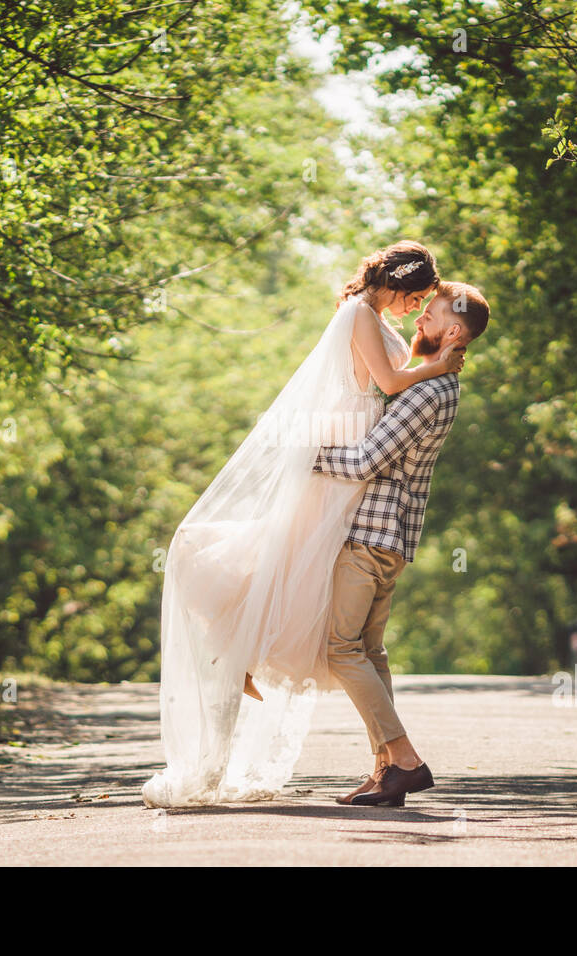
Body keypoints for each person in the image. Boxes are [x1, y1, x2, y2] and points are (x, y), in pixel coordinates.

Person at [142, 241, 464, 807]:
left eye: (425, 308)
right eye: (416, 301)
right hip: (339, 461)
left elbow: (390, 385)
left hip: (354, 469)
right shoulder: (361, 312)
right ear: (402, 286)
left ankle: (386, 760)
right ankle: (236, 639)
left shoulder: (373, 318)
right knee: (272, 556)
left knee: (301, 573)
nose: (416, 312)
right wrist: (435, 365)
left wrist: (427, 369)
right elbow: (389, 384)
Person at [313, 279, 491, 806]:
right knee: (368, 651)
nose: (418, 321)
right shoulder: (432, 382)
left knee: (339, 648)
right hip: (390, 538)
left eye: (429, 316)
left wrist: (307, 457)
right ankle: (384, 772)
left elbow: (369, 460)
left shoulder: (430, 391)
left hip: (373, 534)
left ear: (453, 330)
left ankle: (406, 760)